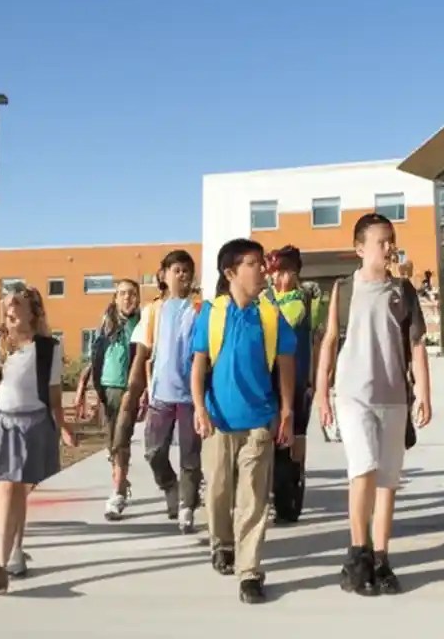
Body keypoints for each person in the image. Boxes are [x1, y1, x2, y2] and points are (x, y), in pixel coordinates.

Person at [314, 212, 432, 597]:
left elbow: (416, 344)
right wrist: (321, 392)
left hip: (394, 394)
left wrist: (425, 393)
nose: (388, 247)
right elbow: (330, 340)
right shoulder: (344, 289)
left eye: (391, 240)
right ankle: (357, 553)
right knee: (362, 468)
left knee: (388, 481)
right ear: (360, 248)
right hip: (353, 394)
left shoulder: (403, 291)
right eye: (381, 241)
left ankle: (382, 559)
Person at [191, 238, 296, 604]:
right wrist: (199, 408)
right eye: (252, 264)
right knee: (218, 491)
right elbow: (199, 363)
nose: (261, 270)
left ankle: (249, 571)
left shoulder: (269, 315)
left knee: (253, 498)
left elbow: (286, 362)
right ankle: (222, 543)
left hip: (258, 423)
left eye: (260, 263)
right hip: (218, 420)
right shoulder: (212, 313)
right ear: (231, 272)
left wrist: (286, 410)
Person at [0, 284, 75, 594]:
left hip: (32, 425)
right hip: (3, 425)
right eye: (5, 305)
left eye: (16, 303)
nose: (9, 309)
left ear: (33, 312)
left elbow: (54, 394)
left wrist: (63, 426)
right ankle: (1, 563)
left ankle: (14, 552)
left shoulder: (47, 348)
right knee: (7, 487)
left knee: (19, 490)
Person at [126, 249, 203, 534]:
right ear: (164, 275)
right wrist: (134, 391)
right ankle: (170, 486)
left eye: (186, 270)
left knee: (190, 456)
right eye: (176, 270)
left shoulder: (199, 309)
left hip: (190, 397)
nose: (181, 275)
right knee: (153, 452)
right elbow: (144, 351)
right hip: (160, 395)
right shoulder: (153, 311)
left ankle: (187, 506)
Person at [77, 279, 142, 520]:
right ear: (115, 298)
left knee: (120, 441)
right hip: (107, 387)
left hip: (130, 388)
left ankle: (117, 494)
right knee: (111, 443)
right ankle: (121, 481)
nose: (127, 298)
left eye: (132, 294)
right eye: (123, 294)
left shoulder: (142, 323)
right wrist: (84, 386)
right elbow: (95, 356)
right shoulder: (106, 324)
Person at [266, 245, 320, 523]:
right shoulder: (265, 299)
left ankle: (292, 493)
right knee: (274, 442)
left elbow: (294, 327)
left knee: (294, 439)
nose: (279, 279)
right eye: (275, 273)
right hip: (269, 381)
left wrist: (318, 379)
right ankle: (276, 492)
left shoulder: (301, 301)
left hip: (298, 380)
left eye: (285, 273)